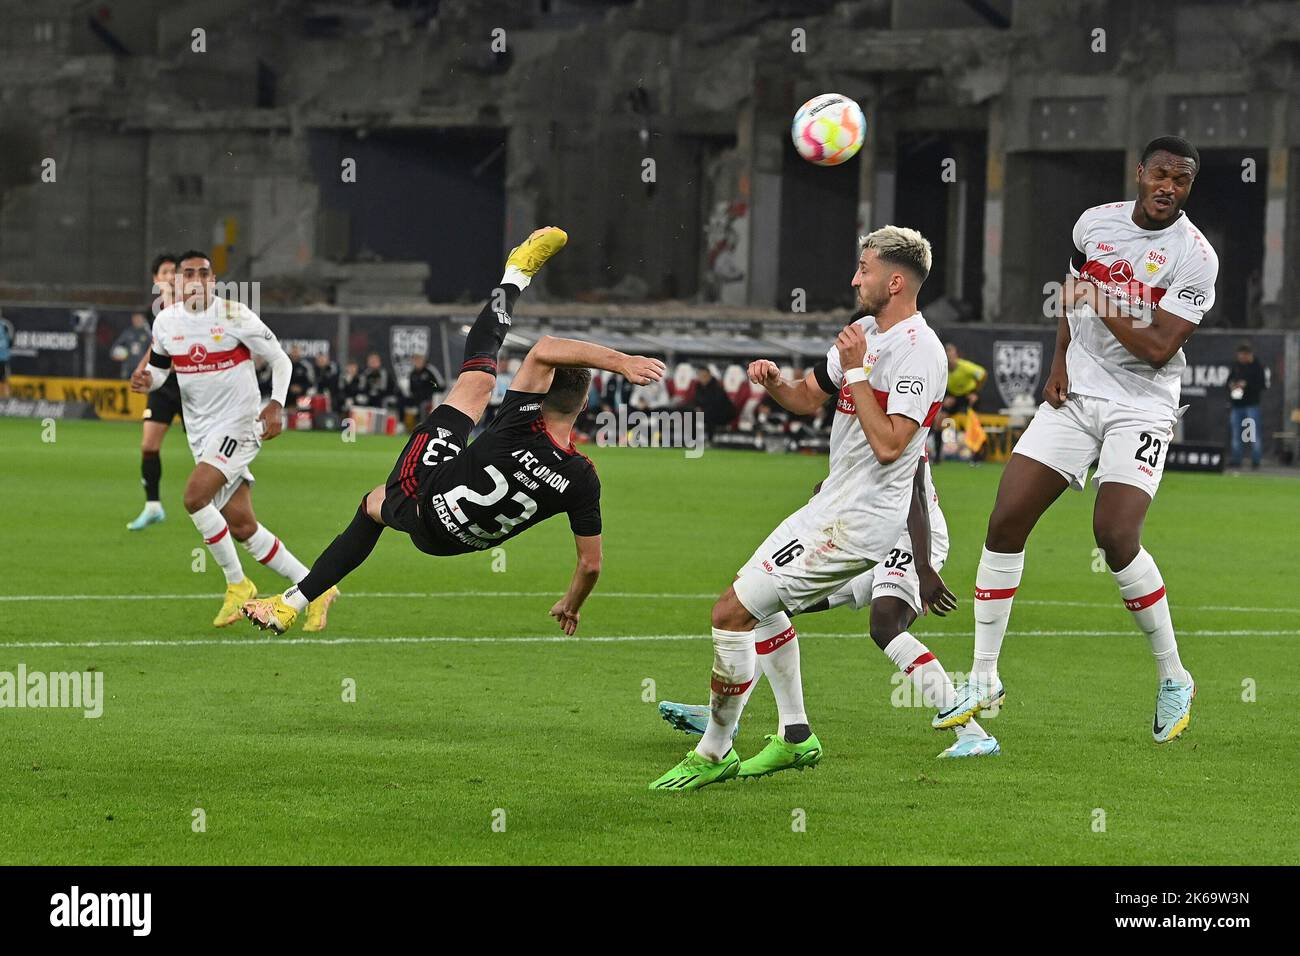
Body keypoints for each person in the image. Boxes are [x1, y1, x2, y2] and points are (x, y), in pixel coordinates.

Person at [241, 228, 665, 637]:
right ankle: (301, 596)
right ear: (585, 406)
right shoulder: (582, 476)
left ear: (542, 393)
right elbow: (591, 565)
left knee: (471, 385)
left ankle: (515, 274)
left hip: (424, 501)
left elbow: (544, 349)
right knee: (392, 489)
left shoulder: (522, 419)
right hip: (456, 543)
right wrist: (571, 605)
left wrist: (621, 361)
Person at [648, 225, 952, 792]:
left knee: (729, 613)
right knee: (756, 606)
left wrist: (858, 370)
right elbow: (808, 397)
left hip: (859, 521)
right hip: (829, 507)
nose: (854, 277)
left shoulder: (921, 351)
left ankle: (714, 752)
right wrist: (773, 382)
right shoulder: (862, 332)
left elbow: (891, 445)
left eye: (863, 268)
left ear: (894, 280)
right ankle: (794, 737)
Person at [956, 135, 1219, 746]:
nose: (1168, 189)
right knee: (1005, 520)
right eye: (1161, 176)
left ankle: (1174, 675)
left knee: (1115, 534)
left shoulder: (1195, 256)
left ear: (1188, 187)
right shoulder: (1092, 225)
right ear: (1141, 173)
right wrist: (1058, 365)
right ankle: (985, 675)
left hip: (1142, 405)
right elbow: (1070, 303)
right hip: (1078, 393)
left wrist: (1099, 299)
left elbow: (1157, 348)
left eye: (1181, 181)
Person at [658, 454, 999, 763]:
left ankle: (972, 734)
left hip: (910, 538)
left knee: (885, 626)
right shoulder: (857, 406)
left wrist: (924, 568)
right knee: (765, 605)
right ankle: (726, 718)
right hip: (865, 533)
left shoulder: (900, 406)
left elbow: (914, 494)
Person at [131, 250, 322, 629]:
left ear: (213, 280)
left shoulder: (235, 315)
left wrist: (276, 406)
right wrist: (145, 381)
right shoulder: (166, 322)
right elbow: (158, 371)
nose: (197, 280)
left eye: (204, 273)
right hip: (201, 432)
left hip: (240, 424)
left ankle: (238, 585)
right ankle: (318, 589)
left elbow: (281, 360)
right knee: (242, 526)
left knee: (193, 497)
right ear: (177, 282)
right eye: (189, 274)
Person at [127, 253, 182, 531]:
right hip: (162, 386)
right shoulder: (157, 309)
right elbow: (156, 346)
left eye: (175, 272)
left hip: (190, 384)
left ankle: (222, 508)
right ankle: (153, 506)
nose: (171, 276)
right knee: (148, 445)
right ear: (155, 279)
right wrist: (140, 369)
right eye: (165, 272)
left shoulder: (191, 307)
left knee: (206, 453)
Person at [1227, 340, 1266, 470]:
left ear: (1249, 355)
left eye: (1244, 356)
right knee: (1236, 433)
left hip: (1251, 405)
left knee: (1252, 434)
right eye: (1240, 356)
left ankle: (1256, 460)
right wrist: (1232, 385)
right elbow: (1228, 381)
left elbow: (1262, 385)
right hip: (1237, 404)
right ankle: (1236, 459)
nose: (1242, 358)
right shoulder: (1236, 365)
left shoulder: (1257, 366)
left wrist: (1246, 385)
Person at [689, 365, 737, 439]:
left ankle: (710, 440)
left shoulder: (716, 387)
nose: (702, 378)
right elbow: (696, 401)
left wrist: (702, 410)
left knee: (709, 414)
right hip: (706, 412)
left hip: (723, 414)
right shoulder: (698, 387)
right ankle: (692, 439)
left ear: (709, 376)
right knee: (691, 415)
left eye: (704, 376)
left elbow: (717, 404)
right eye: (700, 376)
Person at [111, 313, 153, 379]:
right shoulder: (128, 332)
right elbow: (114, 348)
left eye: (139, 318)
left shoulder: (147, 334)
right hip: (128, 366)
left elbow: (153, 349)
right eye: (135, 319)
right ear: (132, 319)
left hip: (142, 366)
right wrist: (116, 354)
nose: (137, 321)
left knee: (140, 385)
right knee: (125, 384)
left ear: (143, 319)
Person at [405, 353, 443, 419]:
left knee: (423, 405)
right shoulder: (413, 374)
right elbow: (411, 389)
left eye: (419, 360)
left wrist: (430, 391)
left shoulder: (429, 370)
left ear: (423, 361)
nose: (417, 362)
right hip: (418, 398)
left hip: (432, 397)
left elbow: (439, 385)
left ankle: (424, 423)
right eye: (415, 361)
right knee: (404, 402)